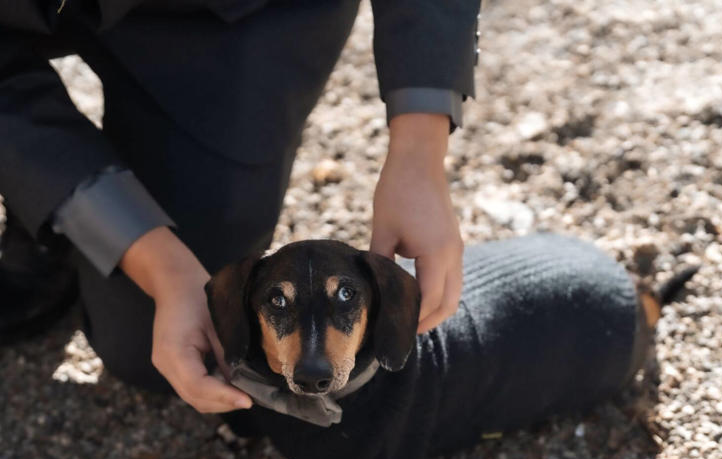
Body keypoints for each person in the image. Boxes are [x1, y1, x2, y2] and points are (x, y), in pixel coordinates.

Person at [0, 1, 481, 415]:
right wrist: (159, 265)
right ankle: (38, 207)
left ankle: (65, 204)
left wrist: (420, 149)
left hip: (224, 17)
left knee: (156, 348)